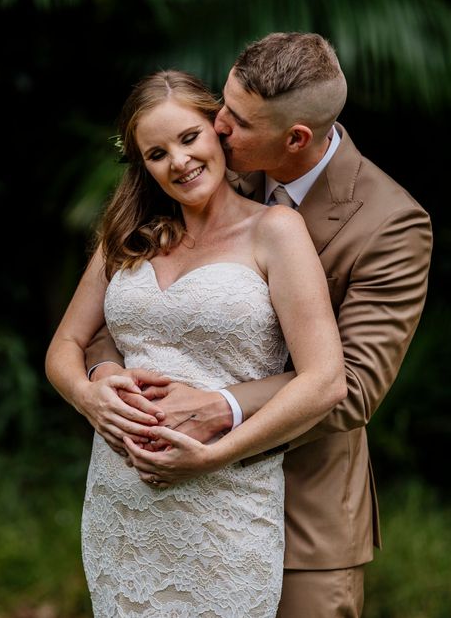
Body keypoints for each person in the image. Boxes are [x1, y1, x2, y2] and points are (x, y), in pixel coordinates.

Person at [85, 32, 434, 617]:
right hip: (160, 503)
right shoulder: (204, 169)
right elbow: (116, 304)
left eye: (237, 120)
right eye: (223, 104)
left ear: (294, 137)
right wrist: (104, 376)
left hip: (306, 514)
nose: (217, 125)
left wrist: (219, 407)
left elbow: (350, 386)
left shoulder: (389, 225)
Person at [45, 70, 346, 616]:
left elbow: (325, 381)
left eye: (189, 138)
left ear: (218, 130)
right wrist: (90, 393)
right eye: (156, 153)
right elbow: (66, 343)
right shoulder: (130, 235)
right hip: (121, 507)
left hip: (225, 505)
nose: (178, 162)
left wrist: (212, 456)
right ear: (144, 165)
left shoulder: (275, 231)